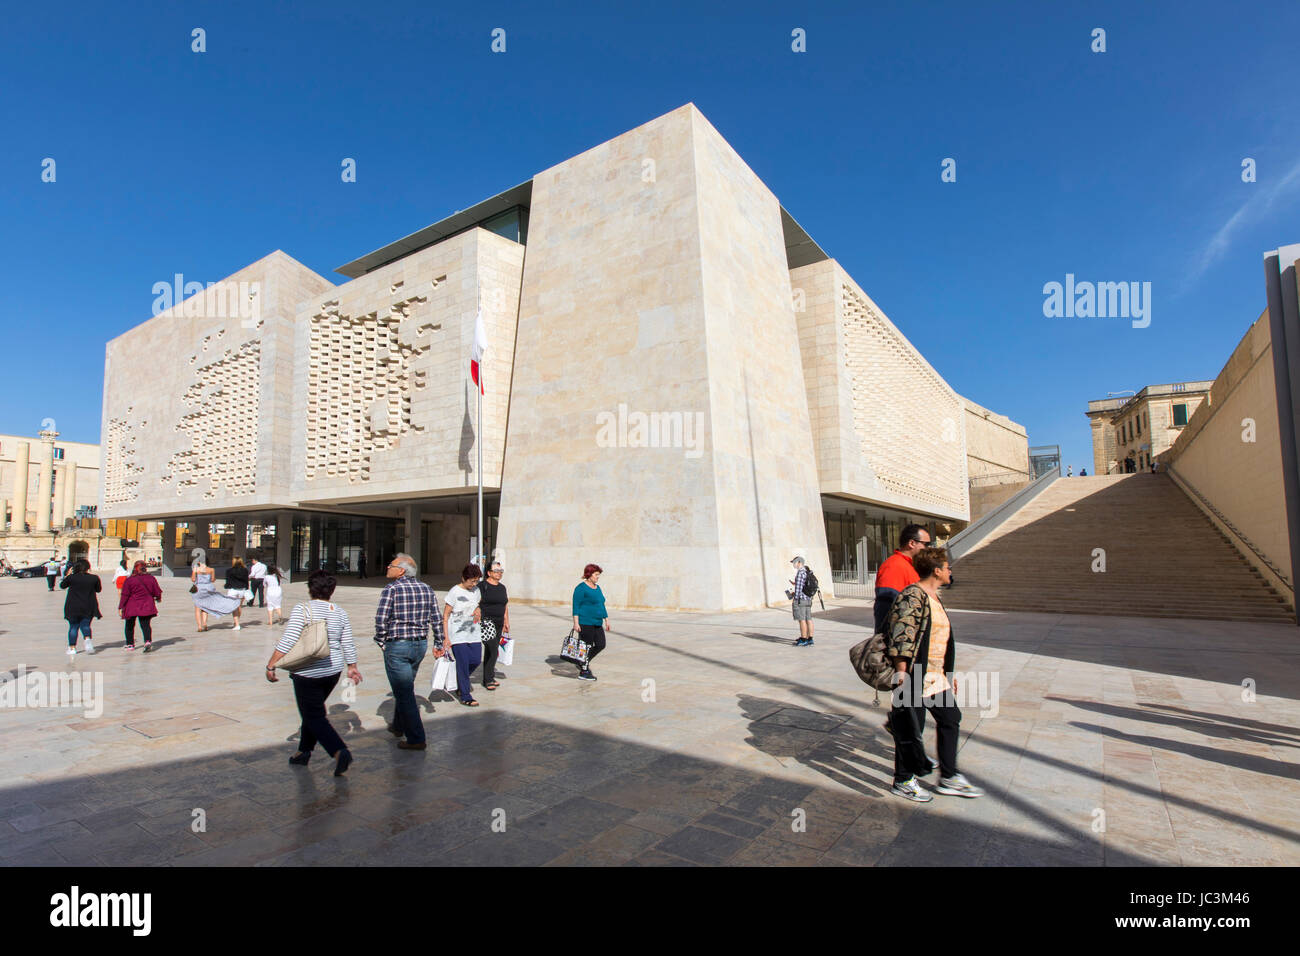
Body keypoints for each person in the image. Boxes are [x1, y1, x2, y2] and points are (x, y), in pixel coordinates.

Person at [885, 546, 983, 803]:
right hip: (914, 675)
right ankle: (903, 781)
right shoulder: (913, 595)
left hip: (935, 676)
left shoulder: (934, 596)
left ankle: (948, 777)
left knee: (951, 718)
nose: (951, 571)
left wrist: (947, 676)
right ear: (937, 570)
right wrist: (902, 675)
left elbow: (940, 640)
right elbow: (901, 636)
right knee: (909, 729)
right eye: (948, 567)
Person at [265, 570, 360, 776]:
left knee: (314, 715)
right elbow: (347, 642)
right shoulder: (340, 611)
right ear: (331, 590)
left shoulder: (303, 609)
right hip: (332, 671)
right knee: (312, 711)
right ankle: (303, 752)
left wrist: (271, 664)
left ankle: (339, 751)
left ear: (310, 589)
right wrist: (352, 667)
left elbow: (289, 639)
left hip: (307, 672)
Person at [374, 553, 441, 750]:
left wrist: (382, 640)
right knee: (405, 687)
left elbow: (381, 619)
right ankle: (398, 725)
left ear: (401, 570)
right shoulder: (426, 588)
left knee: (404, 692)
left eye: (391, 565)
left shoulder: (392, 589)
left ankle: (416, 737)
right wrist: (438, 642)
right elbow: (435, 618)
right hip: (419, 645)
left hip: (398, 646)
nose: (388, 567)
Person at [873, 524, 931, 635]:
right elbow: (885, 607)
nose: (927, 548)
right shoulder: (894, 566)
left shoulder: (910, 565)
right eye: (926, 544)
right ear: (912, 543)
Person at [440, 564, 484, 706]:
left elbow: (475, 604)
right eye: (471, 581)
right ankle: (465, 695)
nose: (474, 584)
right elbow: (446, 615)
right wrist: (446, 637)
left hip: (473, 632)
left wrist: (478, 609)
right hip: (457, 635)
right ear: (463, 578)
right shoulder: (454, 592)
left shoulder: (476, 591)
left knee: (476, 660)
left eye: (476, 581)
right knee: (463, 663)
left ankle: (461, 680)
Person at [570, 564, 609, 681]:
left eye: (598, 575)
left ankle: (581, 661)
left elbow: (601, 604)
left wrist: (606, 619)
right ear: (589, 574)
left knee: (601, 644)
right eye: (596, 574)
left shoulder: (598, 588)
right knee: (586, 646)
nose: (598, 577)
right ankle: (584, 671)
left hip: (597, 622)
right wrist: (576, 623)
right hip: (585, 622)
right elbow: (576, 606)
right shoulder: (580, 588)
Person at [60, 558, 101, 657]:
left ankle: (72, 648)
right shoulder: (94, 578)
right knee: (86, 625)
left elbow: (62, 586)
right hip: (88, 605)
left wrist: (67, 575)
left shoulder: (72, 578)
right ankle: (87, 640)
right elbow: (98, 590)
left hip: (73, 606)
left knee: (73, 627)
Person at [478, 561, 509, 691]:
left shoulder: (502, 587)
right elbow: (476, 603)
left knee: (493, 651)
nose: (499, 573)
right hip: (486, 623)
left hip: (499, 622)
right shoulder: (482, 586)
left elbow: (505, 604)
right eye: (496, 571)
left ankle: (488, 677)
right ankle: (488, 678)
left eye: (500, 571)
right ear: (489, 572)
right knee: (492, 648)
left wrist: (506, 621)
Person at [119, 559, 162, 652]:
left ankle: (130, 644)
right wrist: (158, 598)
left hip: (132, 605)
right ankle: (147, 641)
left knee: (129, 625)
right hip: (146, 604)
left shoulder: (130, 580)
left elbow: (125, 594)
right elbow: (157, 591)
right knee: (145, 625)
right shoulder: (151, 578)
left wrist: (121, 606)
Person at [191, 558, 243, 631]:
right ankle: (205, 623)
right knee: (205, 607)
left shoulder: (196, 569)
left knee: (198, 607)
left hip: (199, 588)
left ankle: (199, 626)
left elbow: (193, 579)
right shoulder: (211, 569)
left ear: (200, 562)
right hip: (208, 587)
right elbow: (212, 580)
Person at [786, 556, 817, 646]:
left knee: (802, 619)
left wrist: (794, 596)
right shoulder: (807, 572)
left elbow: (799, 590)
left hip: (801, 600)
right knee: (809, 619)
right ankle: (810, 638)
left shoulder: (800, 573)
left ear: (799, 562)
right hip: (808, 599)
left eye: (794, 562)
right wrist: (795, 583)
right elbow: (804, 584)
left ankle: (803, 639)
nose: (793, 564)